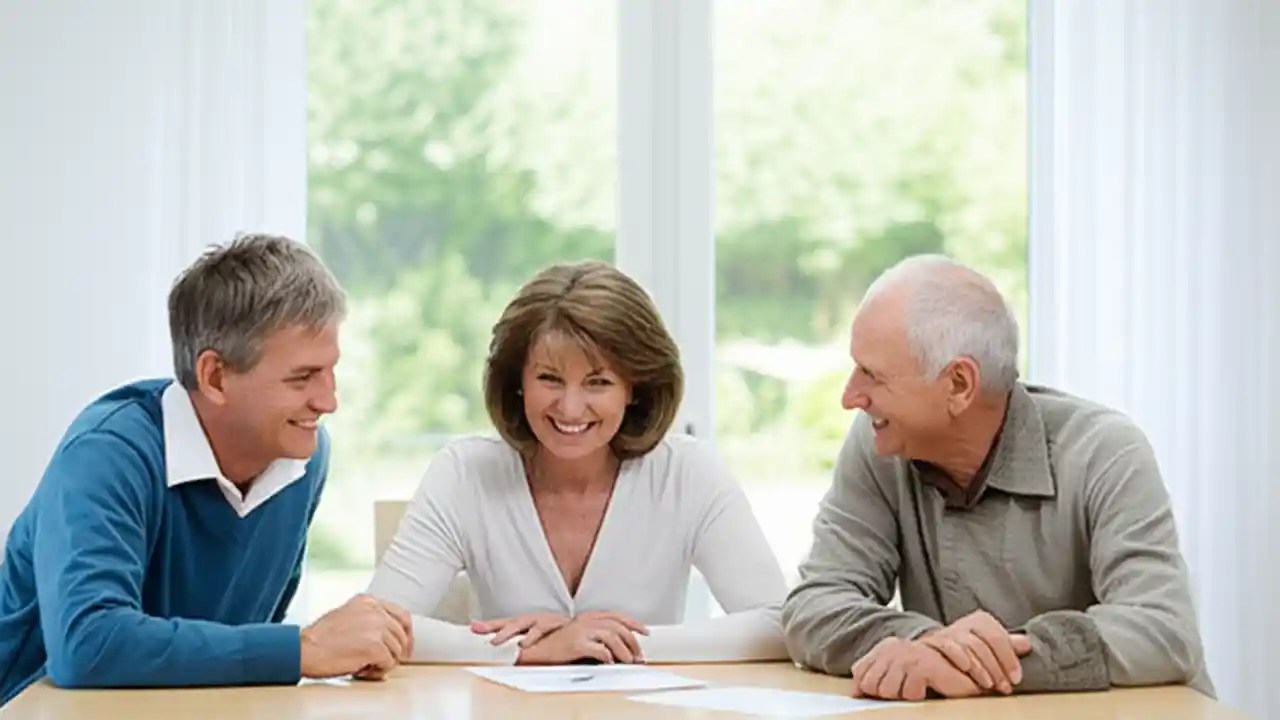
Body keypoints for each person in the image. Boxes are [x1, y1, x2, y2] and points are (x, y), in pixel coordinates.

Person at [0, 234, 412, 706]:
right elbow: (87, 645)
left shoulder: (304, 458)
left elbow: (238, 651)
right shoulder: (108, 453)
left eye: (330, 370)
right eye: (302, 377)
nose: (328, 401)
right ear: (214, 376)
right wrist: (304, 649)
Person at [782, 254, 1214, 700]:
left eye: (871, 375)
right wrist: (925, 643)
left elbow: (1163, 630)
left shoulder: (1105, 452)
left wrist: (968, 661)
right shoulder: (882, 445)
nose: (851, 397)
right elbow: (814, 608)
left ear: (959, 385)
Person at [368, 260, 788, 664]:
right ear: (516, 383)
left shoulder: (688, 473)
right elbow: (373, 627)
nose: (570, 408)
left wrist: (607, 643)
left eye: (598, 382)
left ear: (635, 388)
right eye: (549, 378)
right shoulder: (465, 472)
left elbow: (780, 624)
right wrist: (528, 651)